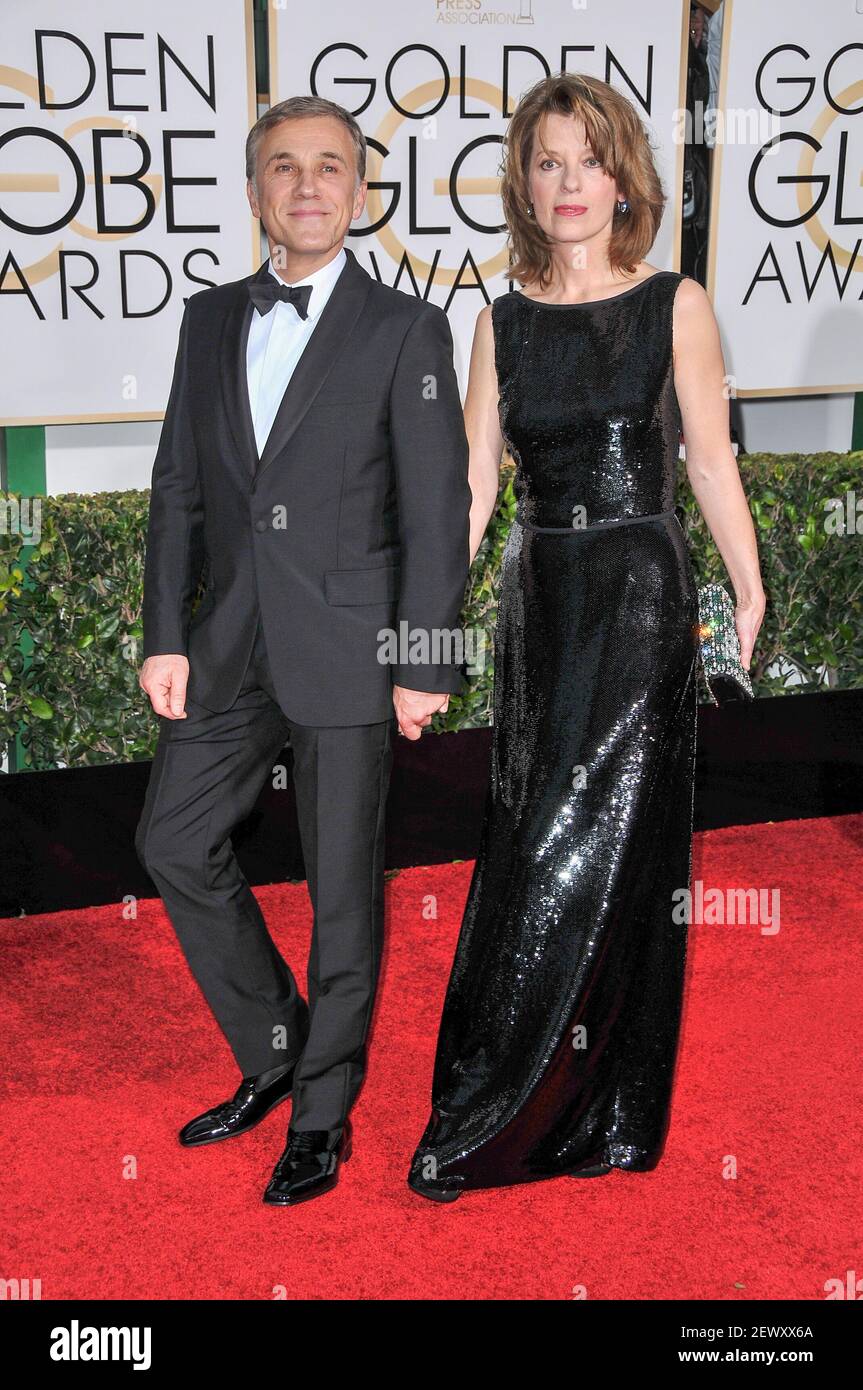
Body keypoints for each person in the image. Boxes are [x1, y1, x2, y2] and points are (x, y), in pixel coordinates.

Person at [407, 72, 765, 1202]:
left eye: (589, 160)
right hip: (540, 597)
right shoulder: (496, 319)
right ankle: (518, 1091)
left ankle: (566, 1109)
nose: (568, 183)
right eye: (547, 161)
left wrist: (746, 591)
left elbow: (707, 459)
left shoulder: (675, 304)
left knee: (604, 847)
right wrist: (428, 628)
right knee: (529, 837)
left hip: (638, 595)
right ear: (523, 180)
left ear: (624, 180)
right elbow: (472, 491)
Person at [135, 95, 471, 1208]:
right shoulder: (208, 316)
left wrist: (427, 659)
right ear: (254, 193)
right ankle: (275, 1041)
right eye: (285, 167)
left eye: (331, 167)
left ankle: (321, 1114)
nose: (309, 186)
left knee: (341, 895)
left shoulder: (403, 330)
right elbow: (178, 486)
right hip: (228, 647)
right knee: (174, 841)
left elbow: (437, 505)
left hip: (353, 654)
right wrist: (164, 634)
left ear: (361, 192)